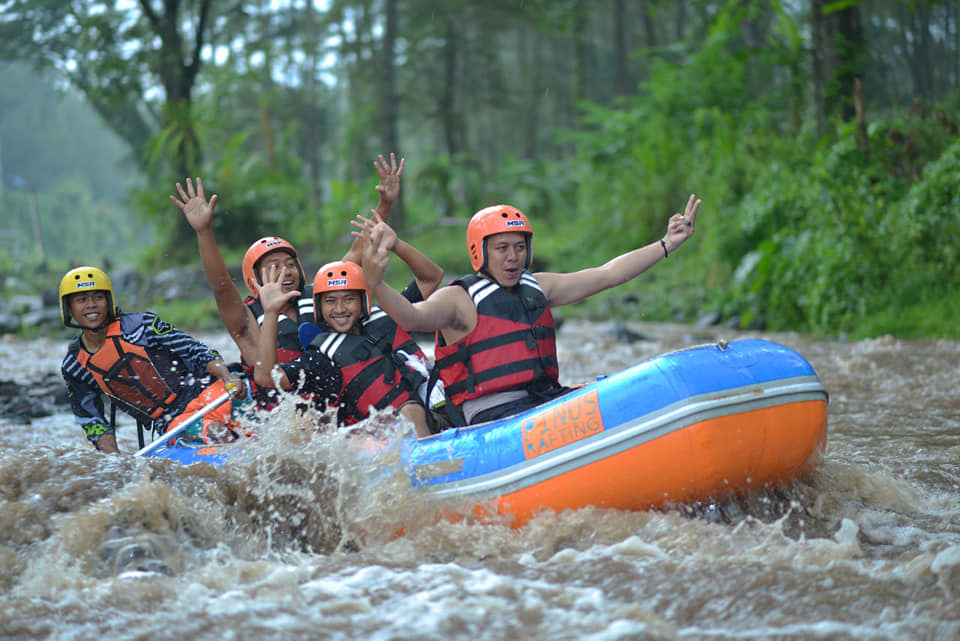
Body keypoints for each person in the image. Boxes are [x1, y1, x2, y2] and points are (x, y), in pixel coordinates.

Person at [360, 194, 702, 426]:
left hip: (542, 399)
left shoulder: (538, 286)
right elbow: (412, 317)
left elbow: (608, 274)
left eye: (519, 247)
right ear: (480, 253)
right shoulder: (459, 299)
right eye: (502, 248)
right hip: (491, 415)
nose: (513, 257)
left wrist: (667, 244)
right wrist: (376, 284)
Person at [170, 154, 404, 408]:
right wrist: (204, 232)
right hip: (284, 420)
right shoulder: (246, 320)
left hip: (338, 406)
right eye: (275, 267)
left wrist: (385, 204)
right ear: (254, 280)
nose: (286, 271)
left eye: (290, 264)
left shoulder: (322, 298)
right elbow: (221, 285)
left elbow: (357, 254)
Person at [252, 217, 444, 437]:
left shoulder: (388, 316)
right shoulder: (322, 359)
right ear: (318, 308)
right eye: (330, 301)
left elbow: (432, 277)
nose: (340, 309)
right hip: (389, 436)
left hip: (439, 412)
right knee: (411, 412)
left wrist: (397, 245)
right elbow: (266, 376)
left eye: (348, 299)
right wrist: (270, 313)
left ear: (364, 301)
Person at [59, 266, 247, 453]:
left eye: (98, 297)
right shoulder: (74, 366)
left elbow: (196, 350)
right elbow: (93, 421)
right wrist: (117, 463)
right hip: (172, 418)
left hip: (208, 389)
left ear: (108, 301)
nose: (91, 304)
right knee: (218, 433)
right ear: (68, 309)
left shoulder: (142, 326)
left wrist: (228, 377)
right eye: (81, 300)